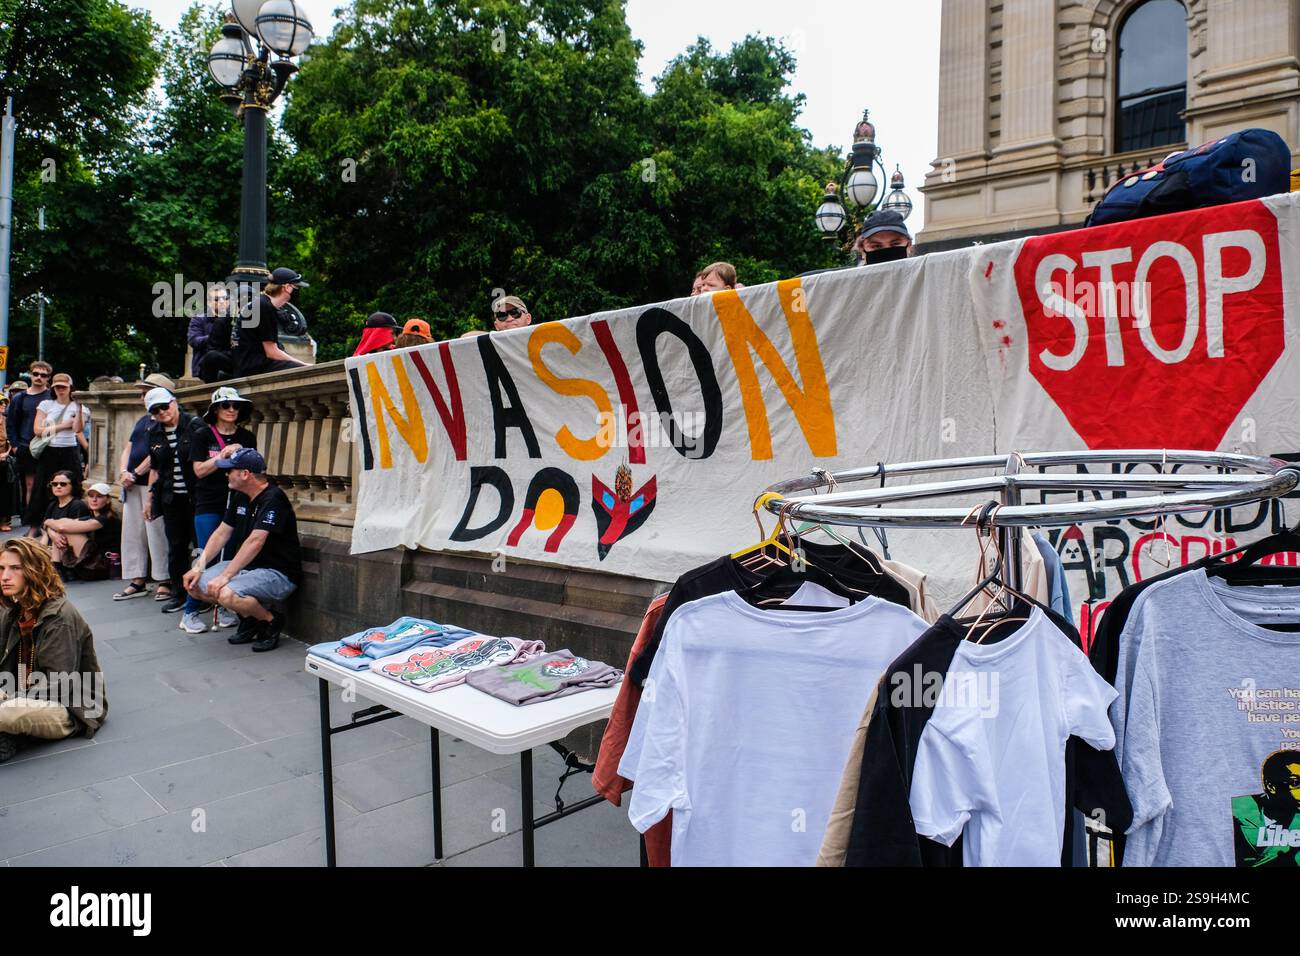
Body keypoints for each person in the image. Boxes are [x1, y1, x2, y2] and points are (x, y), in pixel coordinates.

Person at [0, 537, 108, 763]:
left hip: (70, 707)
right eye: (1, 568)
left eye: (15, 568)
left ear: (34, 570)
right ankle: (10, 735)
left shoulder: (60, 617)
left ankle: (12, 734)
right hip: (19, 691)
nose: (5, 576)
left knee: (7, 712)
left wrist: (9, 697)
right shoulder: (13, 611)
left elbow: (59, 684)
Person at [183, 448, 301, 653]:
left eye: (231, 470)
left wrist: (225, 576)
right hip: (248, 569)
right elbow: (221, 533)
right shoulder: (240, 496)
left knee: (226, 593)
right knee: (196, 585)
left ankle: (270, 621)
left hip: (278, 572)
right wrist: (198, 567)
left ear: (245, 474)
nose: (226, 474)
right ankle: (250, 618)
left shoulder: (273, 498)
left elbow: (256, 541)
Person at [179, 386, 256, 635]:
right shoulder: (202, 435)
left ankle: (221, 603)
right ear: (215, 410)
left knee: (231, 555)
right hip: (209, 501)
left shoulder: (247, 436)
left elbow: (253, 469)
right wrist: (221, 456)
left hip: (237, 500)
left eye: (235, 406)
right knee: (206, 554)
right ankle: (190, 609)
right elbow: (199, 470)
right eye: (226, 405)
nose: (231, 410)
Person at [114, 375, 176, 602]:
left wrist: (136, 473)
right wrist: (123, 472)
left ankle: (163, 579)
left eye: (147, 392)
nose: (142, 397)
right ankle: (136, 578)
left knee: (156, 531)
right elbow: (127, 448)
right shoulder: (142, 421)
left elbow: (157, 454)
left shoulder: (164, 420)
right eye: (142, 393)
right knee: (132, 533)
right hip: (131, 483)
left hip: (149, 483)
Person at [142, 387, 202, 614]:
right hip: (170, 497)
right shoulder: (154, 432)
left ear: (174, 402)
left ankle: (202, 594)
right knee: (176, 546)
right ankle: (179, 593)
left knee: (200, 546)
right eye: (156, 410)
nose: (162, 413)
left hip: (196, 497)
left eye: (164, 407)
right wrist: (149, 499)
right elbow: (155, 468)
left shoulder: (195, 425)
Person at [23, 372, 84, 532]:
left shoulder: (78, 406)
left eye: (64, 387)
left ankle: (70, 523)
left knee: (72, 486)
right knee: (42, 489)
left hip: (69, 450)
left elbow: (77, 428)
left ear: (71, 388)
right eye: (57, 387)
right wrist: (64, 425)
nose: (60, 390)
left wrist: (78, 407)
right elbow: (37, 430)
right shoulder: (46, 404)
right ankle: (35, 526)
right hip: (49, 450)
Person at [231, 267, 310, 377]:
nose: (296, 290)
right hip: (254, 367)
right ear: (286, 287)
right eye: (295, 287)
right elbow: (272, 352)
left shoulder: (260, 303)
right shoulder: (264, 307)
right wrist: (304, 364)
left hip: (245, 364)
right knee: (305, 372)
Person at [43, 482, 120, 582]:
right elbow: (62, 523)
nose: (94, 500)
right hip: (91, 562)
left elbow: (62, 527)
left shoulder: (104, 519)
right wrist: (52, 532)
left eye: (99, 496)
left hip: (101, 567)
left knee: (66, 530)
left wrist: (48, 521)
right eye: (91, 496)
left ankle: (59, 569)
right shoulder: (90, 517)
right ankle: (59, 568)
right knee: (61, 530)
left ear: (108, 499)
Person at [7, 360, 52, 515]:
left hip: (50, 446)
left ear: (48, 378)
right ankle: (31, 520)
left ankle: (47, 519)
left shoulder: (52, 396)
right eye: (35, 374)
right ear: (30, 375)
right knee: (30, 484)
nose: (39, 377)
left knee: (51, 483)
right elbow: (11, 423)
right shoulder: (20, 398)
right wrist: (15, 446)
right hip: (25, 446)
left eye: (43, 375)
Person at [189, 285, 234, 382]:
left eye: (225, 298)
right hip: (206, 365)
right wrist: (215, 336)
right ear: (209, 303)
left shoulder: (234, 319)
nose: (222, 302)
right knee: (212, 357)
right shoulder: (199, 319)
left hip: (228, 361)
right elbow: (194, 340)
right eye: (217, 299)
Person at [0, 393, 13, 532]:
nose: (3, 405)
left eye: (5, 403)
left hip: (4, 461)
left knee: (5, 491)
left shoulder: (6, 420)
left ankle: (3, 521)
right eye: (1, 403)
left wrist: (7, 453)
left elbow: (11, 439)